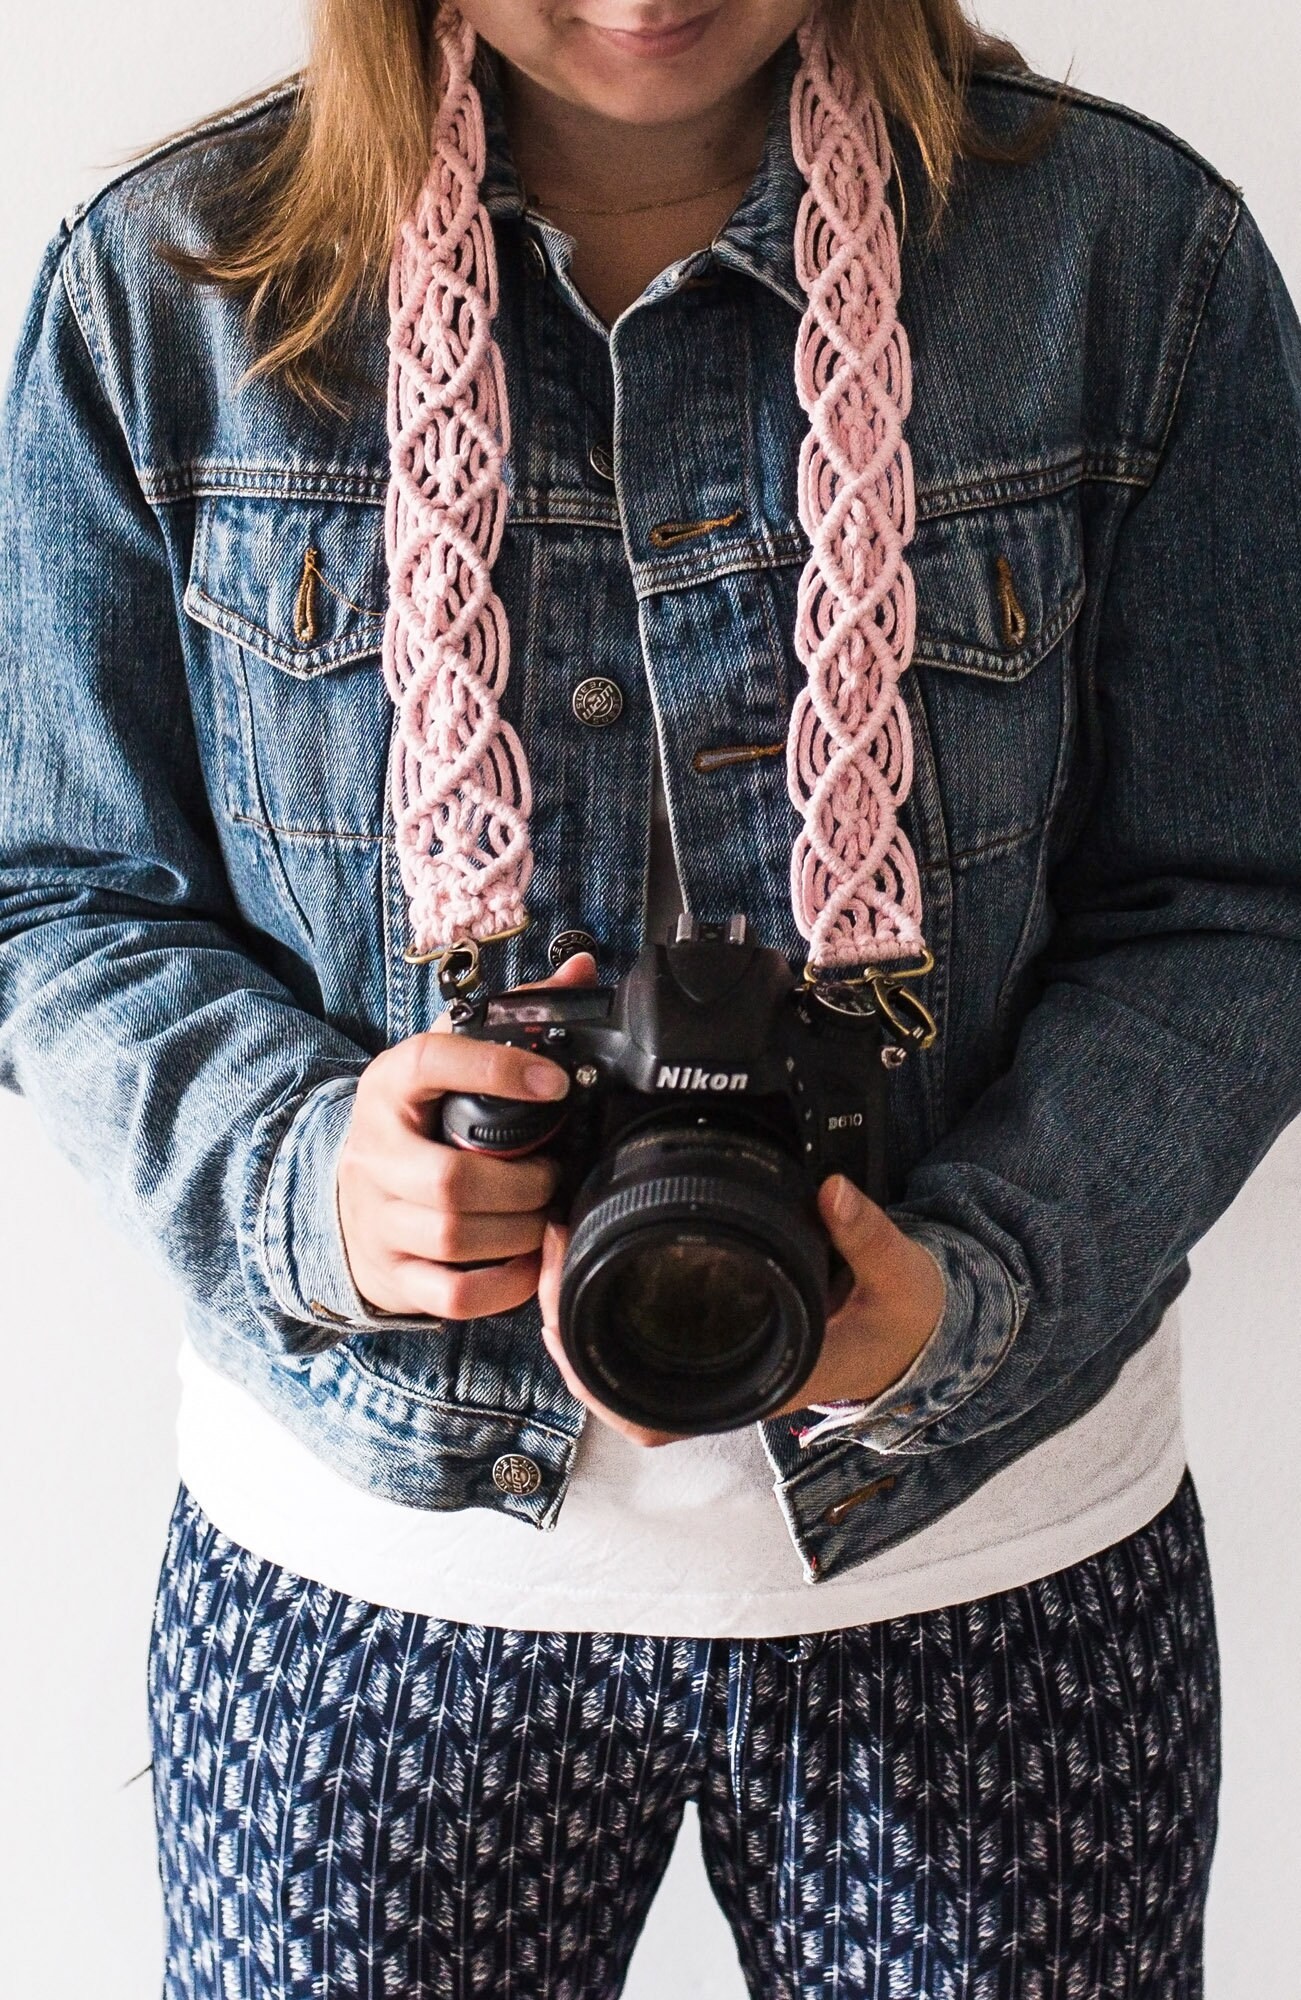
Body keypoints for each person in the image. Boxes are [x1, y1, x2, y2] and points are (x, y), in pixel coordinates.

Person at [2, 0, 1299, 1991]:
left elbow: (1236, 901)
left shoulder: (1128, 258)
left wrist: (975, 1288)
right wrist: (308, 1180)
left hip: (988, 1545)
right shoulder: (169, 285)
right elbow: (63, 895)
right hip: (372, 1558)